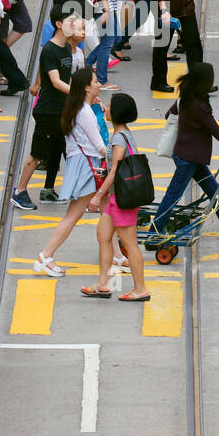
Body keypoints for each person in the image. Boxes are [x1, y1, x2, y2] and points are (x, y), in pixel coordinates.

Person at [152, 62, 219, 245]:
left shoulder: (186, 98)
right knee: (173, 196)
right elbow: (218, 133)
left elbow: (169, 115)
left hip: (190, 158)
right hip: (188, 160)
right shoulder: (199, 106)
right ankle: (154, 233)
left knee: (215, 195)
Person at [32, 67, 104, 278]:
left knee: (106, 209)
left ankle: (117, 255)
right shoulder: (85, 112)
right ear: (87, 88)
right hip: (88, 166)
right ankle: (45, 256)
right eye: (96, 81)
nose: (99, 84)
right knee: (73, 215)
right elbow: (99, 145)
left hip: (83, 164)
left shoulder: (77, 108)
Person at [81, 93, 151, 301]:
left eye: (109, 106)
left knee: (129, 243)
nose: (106, 109)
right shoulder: (123, 134)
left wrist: (97, 196)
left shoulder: (120, 138)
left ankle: (141, 289)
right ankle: (103, 284)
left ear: (118, 112)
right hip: (116, 199)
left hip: (122, 199)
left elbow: (115, 170)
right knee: (103, 236)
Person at [12, 6, 78, 210]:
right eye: (71, 22)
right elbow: (57, 81)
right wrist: (79, 94)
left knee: (58, 149)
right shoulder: (49, 50)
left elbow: (68, 77)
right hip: (48, 110)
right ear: (59, 24)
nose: (74, 25)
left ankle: (48, 190)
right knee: (37, 153)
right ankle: (20, 191)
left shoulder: (66, 47)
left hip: (61, 108)